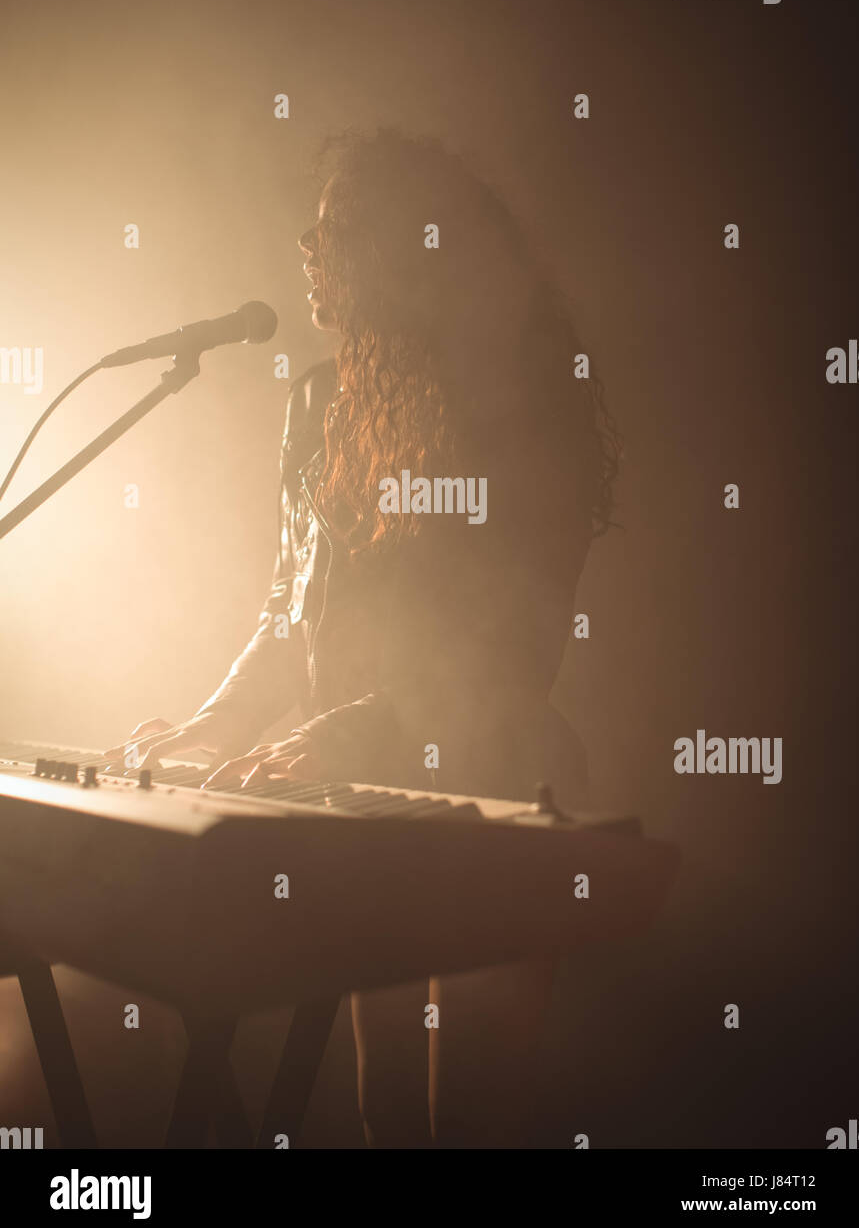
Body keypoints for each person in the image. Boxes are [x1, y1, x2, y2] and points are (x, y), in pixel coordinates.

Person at [105, 128, 619, 1147]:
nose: (306, 248)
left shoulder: (523, 400)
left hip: (492, 779)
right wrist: (211, 726)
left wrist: (348, 732)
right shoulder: (320, 401)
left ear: (404, 248)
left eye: (335, 228)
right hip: (358, 795)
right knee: (386, 1116)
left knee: (463, 1122)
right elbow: (284, 606)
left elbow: (512, 649)